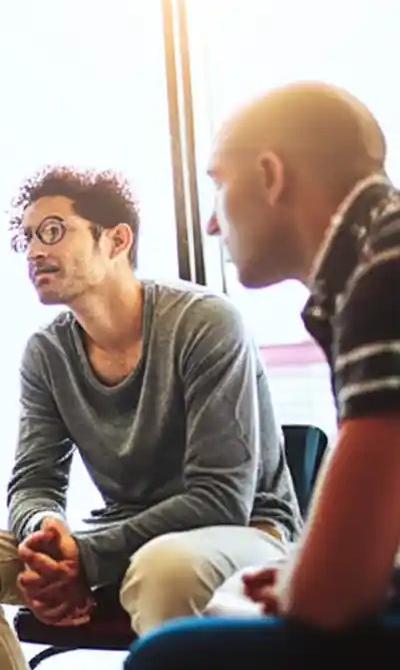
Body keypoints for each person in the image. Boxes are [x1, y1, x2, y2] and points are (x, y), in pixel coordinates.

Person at [0, 167, 303, 670]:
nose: (33, 251)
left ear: (116, 240)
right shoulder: (47, 352)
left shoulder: (205, 322)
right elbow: (34, 480)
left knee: (165, 567)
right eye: (26, 237)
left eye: (52, 231)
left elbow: (219, 498)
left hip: (245, 532)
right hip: (120, 538)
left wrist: (85, 559)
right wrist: (44, 531)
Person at [124, 84, 400, 669]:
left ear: (272, 176)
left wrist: (308, 579)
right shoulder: (372, 262)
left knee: (167, 657)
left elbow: (331, 595)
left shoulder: (385, 274)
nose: (211, 222)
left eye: (218, 183)